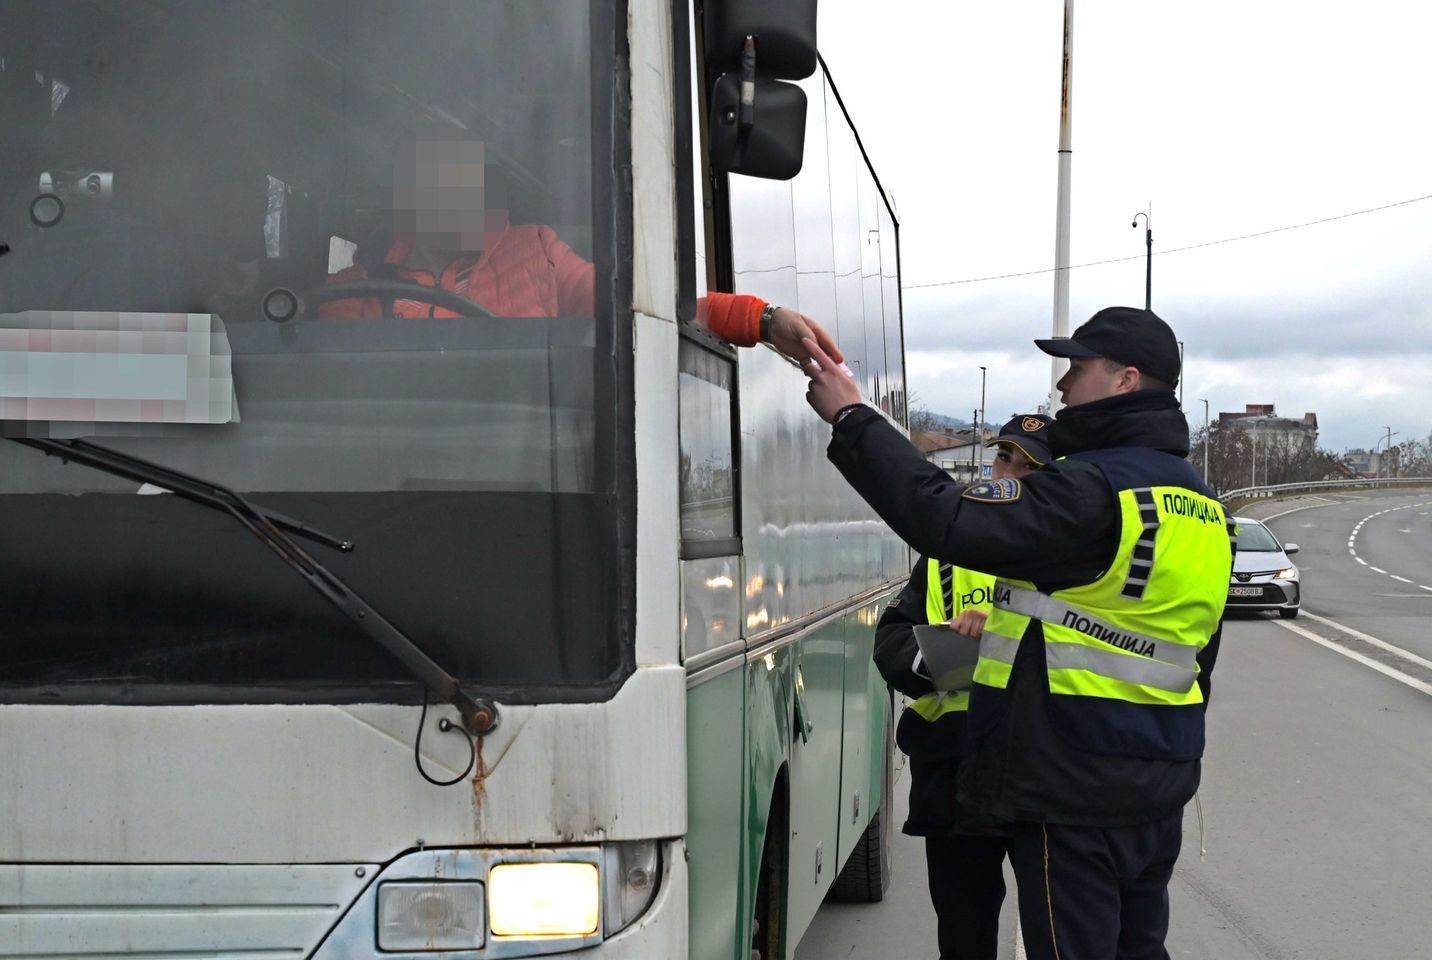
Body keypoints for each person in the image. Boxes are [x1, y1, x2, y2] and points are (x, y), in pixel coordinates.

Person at [801, 306, 1233, 960]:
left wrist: (852, 417)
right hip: (1158, 783)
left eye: (1077, 369)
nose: (1061, 386)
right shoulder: (1202, 507)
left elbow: (945, 519)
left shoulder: (1096, 492)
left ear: (1126, 380)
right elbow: (1197, 656)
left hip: (1074, 787)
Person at [319, 140, 841, 364]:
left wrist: (764, 319)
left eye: (464, 177)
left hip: (535, 483)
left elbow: (653, 306)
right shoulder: (353, 292)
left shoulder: (536, 252)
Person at [874, 414, 1052, 960]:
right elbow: (891, 642)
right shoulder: (946, 555)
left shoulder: (1072, 560)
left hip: (1039, 776)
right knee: (963, 935)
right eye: (1004, 458)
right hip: (953, 774)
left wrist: (1001, 622)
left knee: (1057, 936)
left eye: (1029, 467)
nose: (1009, 473)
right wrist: (936, 653)